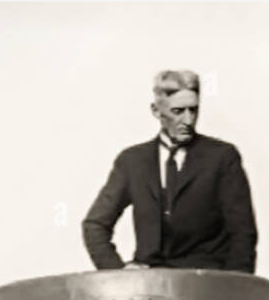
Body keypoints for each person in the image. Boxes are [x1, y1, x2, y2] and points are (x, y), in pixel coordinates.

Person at [82, 69, 257, 273]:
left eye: (193, 110)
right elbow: (95, 225)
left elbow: (243, 234)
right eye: (178, 111)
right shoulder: (131, 161)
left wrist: (233, 289)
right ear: (156, 111)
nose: (188, 120)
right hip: (149, 288)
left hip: (206, 286)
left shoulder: (222, 157)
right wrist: (119, 274)